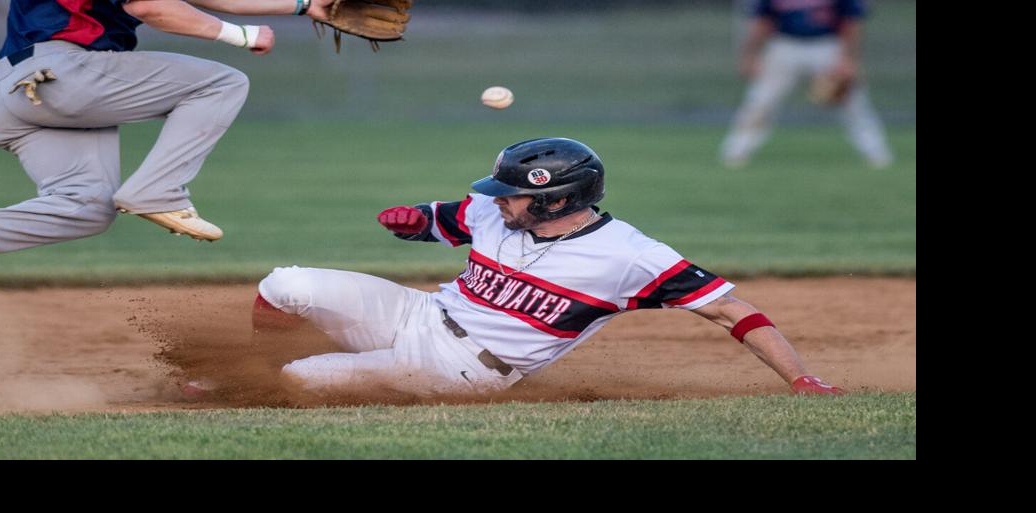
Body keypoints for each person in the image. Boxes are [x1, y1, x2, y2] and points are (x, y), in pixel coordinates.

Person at [244, 137, 845, 399]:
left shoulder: (631, 257)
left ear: (557, 200)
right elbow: (440, 219)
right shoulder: (496, 212)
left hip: (462, 370)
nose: (498, 201)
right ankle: (247, 373)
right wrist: (410, 220)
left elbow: (732, 311)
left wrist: (800, 378)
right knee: (285, 282)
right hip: (420, 313)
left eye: (512, 193)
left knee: (300, 380)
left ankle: (265, 383)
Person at [0, 0, 341, 298]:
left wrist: (303, 5)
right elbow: (151, 7)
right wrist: (241, 36)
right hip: (62, 74)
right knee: (221, 83)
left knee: (86, 208)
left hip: (12, 95)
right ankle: (158, 192)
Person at [720, 0, 894, 170]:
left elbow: (851, 20)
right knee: (761, 101)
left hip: (828, 44)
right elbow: (762, 21)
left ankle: (876, 153)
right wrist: (750, 55)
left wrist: (849, 58)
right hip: (784, 44)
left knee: (853, 102)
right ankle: (735, 152)